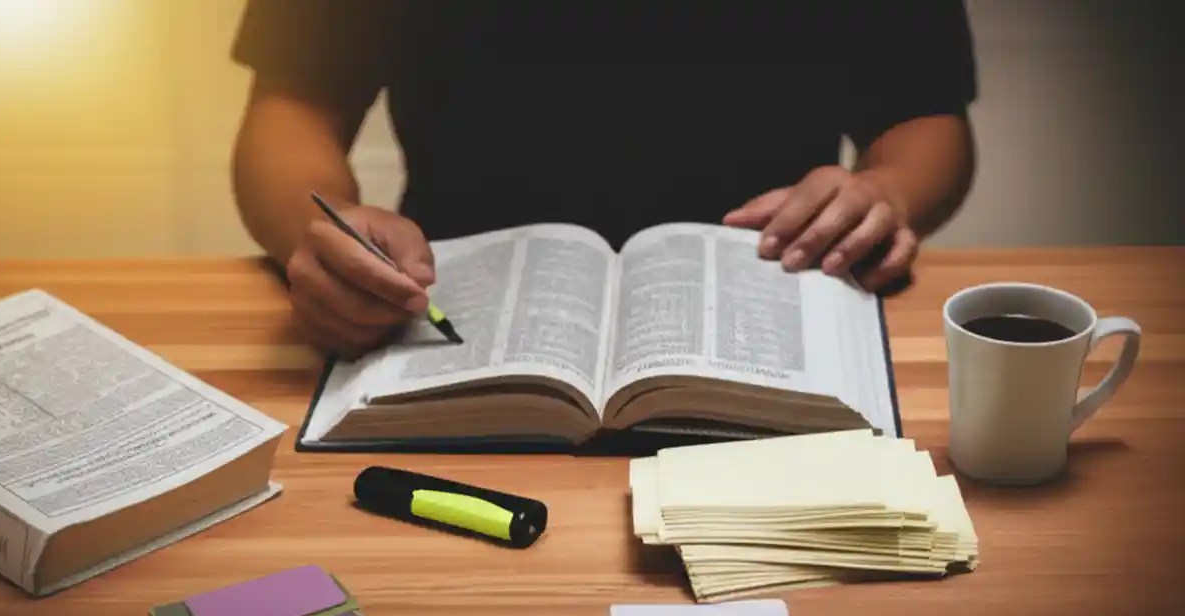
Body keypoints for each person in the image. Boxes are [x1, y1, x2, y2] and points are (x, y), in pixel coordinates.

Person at [230, 2, 977, 358]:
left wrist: (888, 190)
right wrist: (323, 229)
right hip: (437, 309)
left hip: (776, 292)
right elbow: (294, 103)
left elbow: (924, 114)